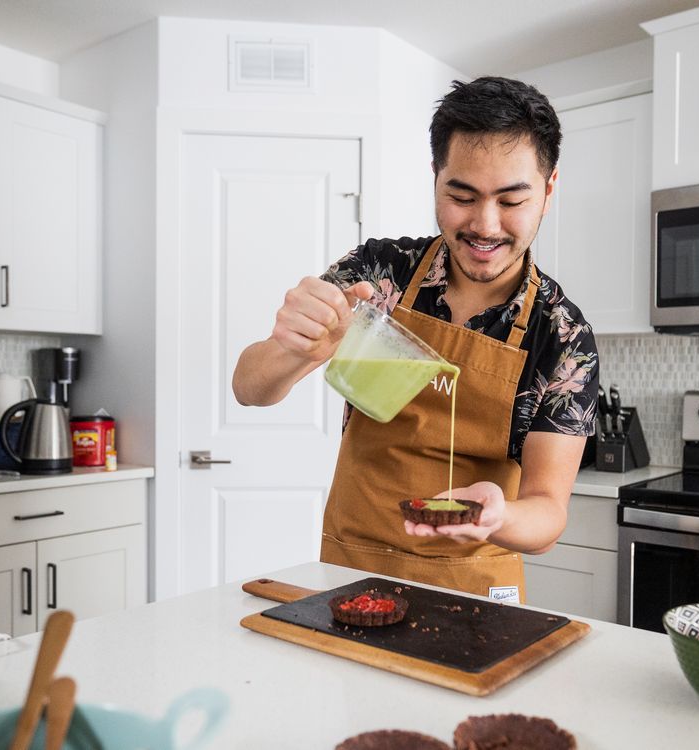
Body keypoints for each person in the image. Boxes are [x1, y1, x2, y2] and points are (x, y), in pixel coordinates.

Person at [232, 76, 598, 603]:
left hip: (476, 585)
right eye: (461, 195)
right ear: (435, 178)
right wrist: (297, 345)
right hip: (352, 567)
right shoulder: (380, 274)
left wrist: (497, 514)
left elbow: (546, 513)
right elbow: (250, 387)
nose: (485, 225)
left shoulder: (564, 338)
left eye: (512, 200)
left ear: (549, 188)